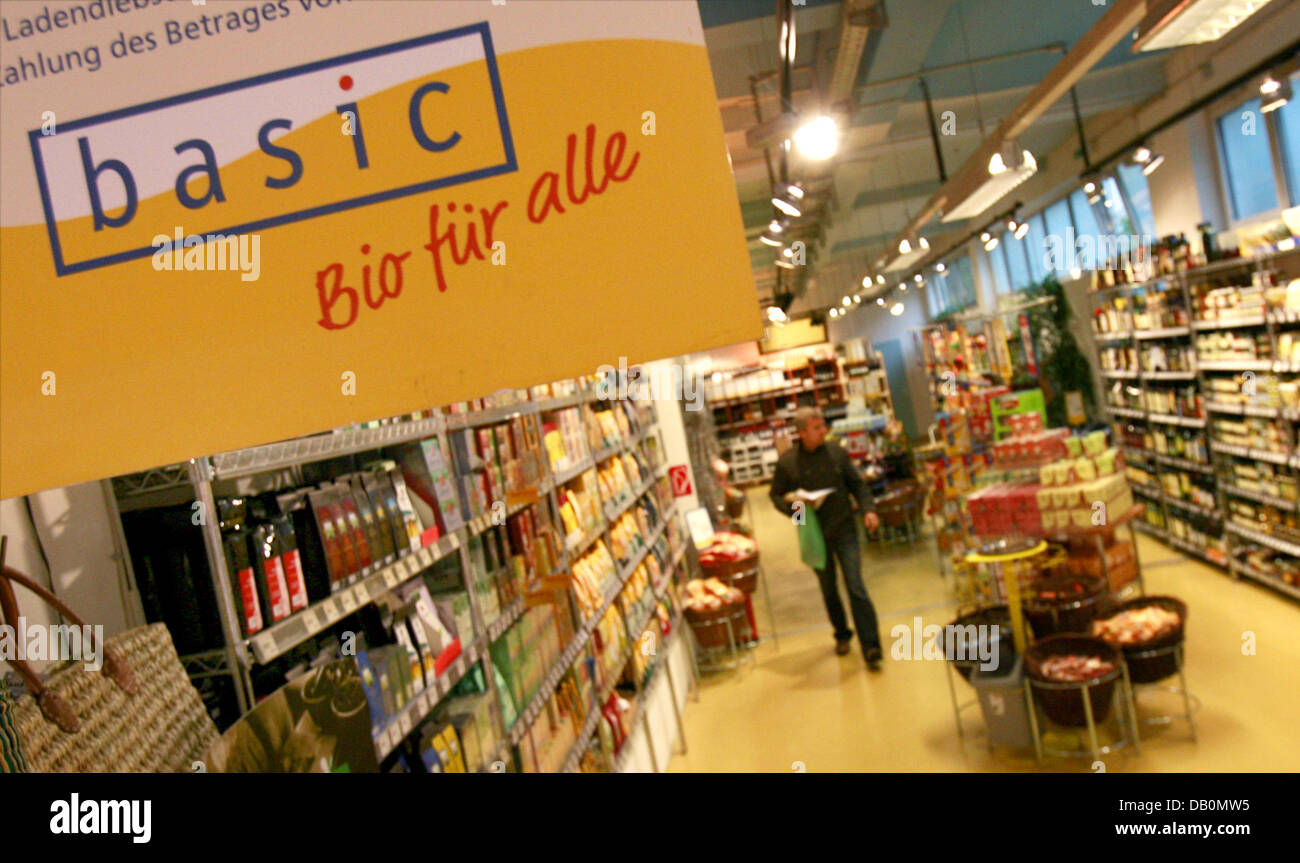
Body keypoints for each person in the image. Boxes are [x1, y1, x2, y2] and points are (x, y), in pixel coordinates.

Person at [769, 407, 884, 670]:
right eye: (817, 428)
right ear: (801, 433)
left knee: (855, 585)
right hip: (814, 535)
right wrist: (798, 511)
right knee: (829, 588)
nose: (824, 431)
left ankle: (871, 646)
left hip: (844, 529)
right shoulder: (787, 462)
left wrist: (868, 510)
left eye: (823, 426)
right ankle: (842, 634)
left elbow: (857, 484)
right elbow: (776, 496)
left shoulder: (837, 453)